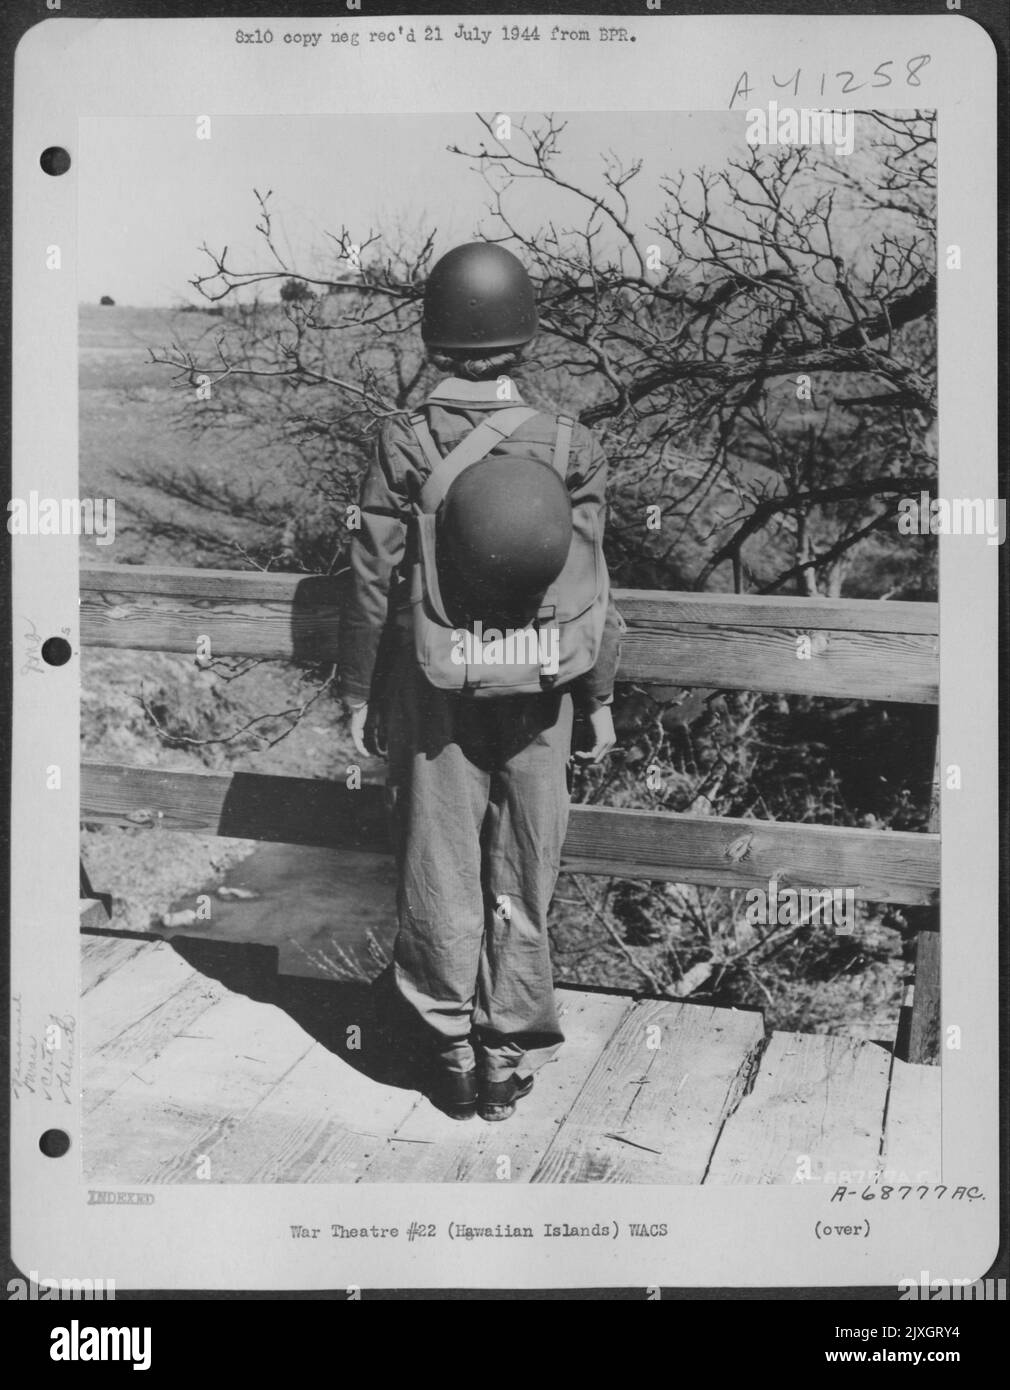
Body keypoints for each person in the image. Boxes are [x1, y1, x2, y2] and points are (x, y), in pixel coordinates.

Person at [338, 242, 621, 1122]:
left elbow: (370, 578)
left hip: (436, 684)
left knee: (439, 866)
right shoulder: (574, 442)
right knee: (524, 868)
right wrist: (600, 698)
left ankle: (448, 1052)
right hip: (541, 686)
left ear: (435, 338)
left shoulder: (403, 440)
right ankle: (507, 1057)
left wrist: (357, 691)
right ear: (523, 339)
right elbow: (595, 587)